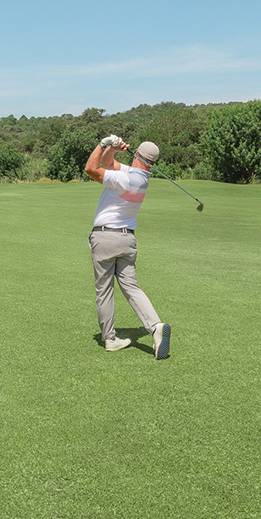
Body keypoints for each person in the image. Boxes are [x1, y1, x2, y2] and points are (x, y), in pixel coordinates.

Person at [84, 136, 171, 359]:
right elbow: (108, 164)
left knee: (104, 290)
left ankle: (110, 339)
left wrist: (103, 144)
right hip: (127, 241)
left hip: (106, 238)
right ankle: (155, 327)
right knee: (131, 287)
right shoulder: (141, 177)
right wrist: (113, 150)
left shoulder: (125, 178)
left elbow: (92, 168)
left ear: (138, 155)